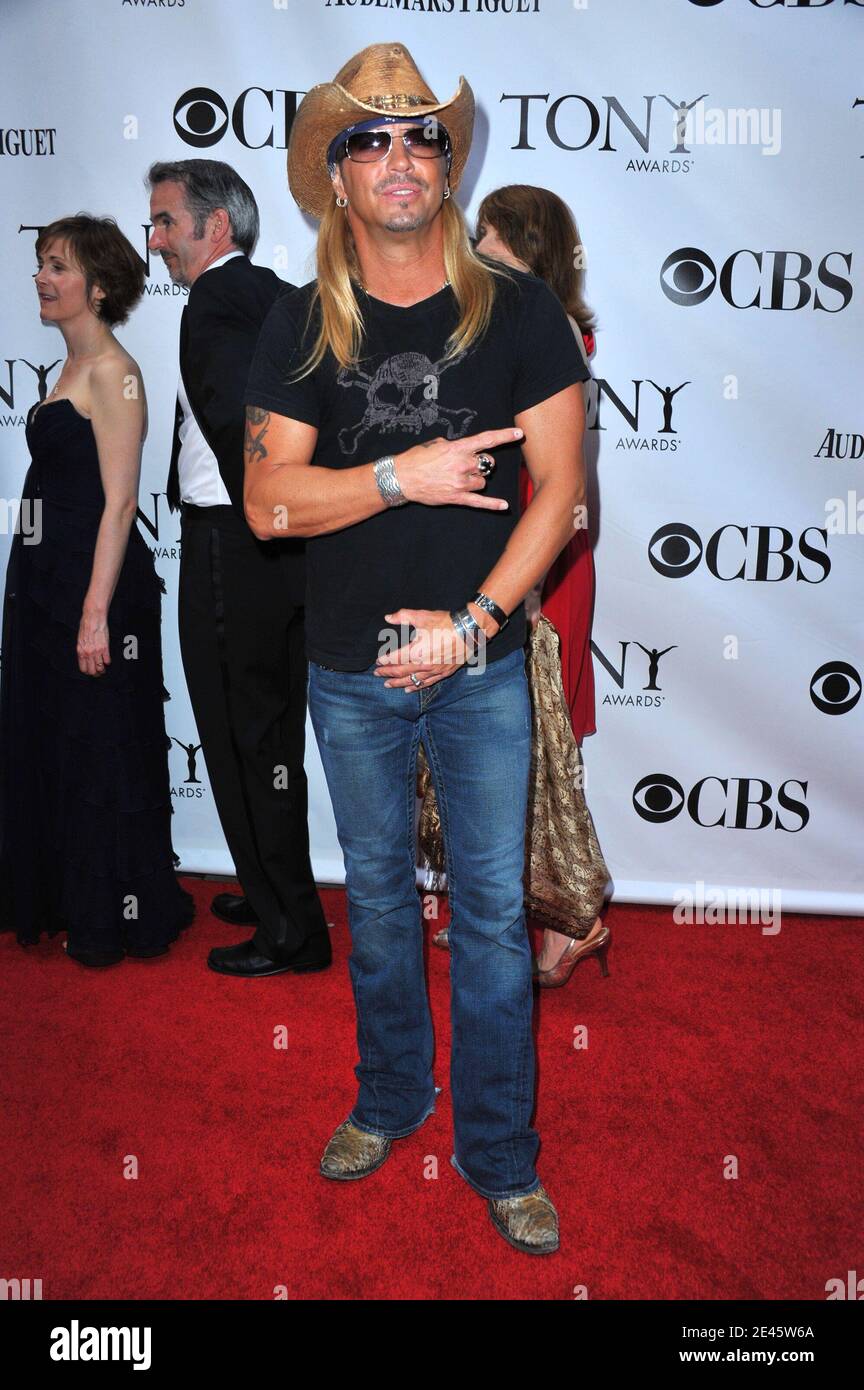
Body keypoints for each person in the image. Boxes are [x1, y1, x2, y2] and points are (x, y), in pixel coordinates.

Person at [243, 43, 590, 1254]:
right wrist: (399, 477)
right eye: (371, 139)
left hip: (481, 661)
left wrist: (475, 623)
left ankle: (500, 1155)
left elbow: (562, 492)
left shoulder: (522, 309)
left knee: (493, 918)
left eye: (421, 137)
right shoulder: (303, 320)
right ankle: (390, 1098)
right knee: (382, 905)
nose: (401, 157)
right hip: (348, 668)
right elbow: (268, 504)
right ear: (335, 175)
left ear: (450, 165)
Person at [146, 160, 331, 979]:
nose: (154, 241)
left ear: (214, 226)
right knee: (269, 734)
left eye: (164, 222)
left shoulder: (215, 301)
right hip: (275, 551)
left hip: (234, 542)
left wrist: (259, 526)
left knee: (239, 735)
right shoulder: (275, 295)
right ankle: (273, 895)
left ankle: (290, 929)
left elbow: (232, 423)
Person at [0, 215, 195, 967]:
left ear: (99, 286)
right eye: (42, 264)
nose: (43, 279)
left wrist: (92, 613)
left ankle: (112, 909)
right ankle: (55, 891)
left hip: (97, 586)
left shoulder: (115, 370)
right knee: (56, 735)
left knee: (99, 745)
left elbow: (120, 504)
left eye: (59, 267)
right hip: (49, 581)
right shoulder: (67, 369)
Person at [474, 184, 610, 985]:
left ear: (523, 243)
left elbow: (557, 479)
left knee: (540, 743)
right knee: (513, 745)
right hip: (532, 545)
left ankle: (573, 925)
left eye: (486, 233)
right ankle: (520, 914)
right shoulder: (528, 321)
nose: (475, 247)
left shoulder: (544, 326)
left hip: (544, 554)